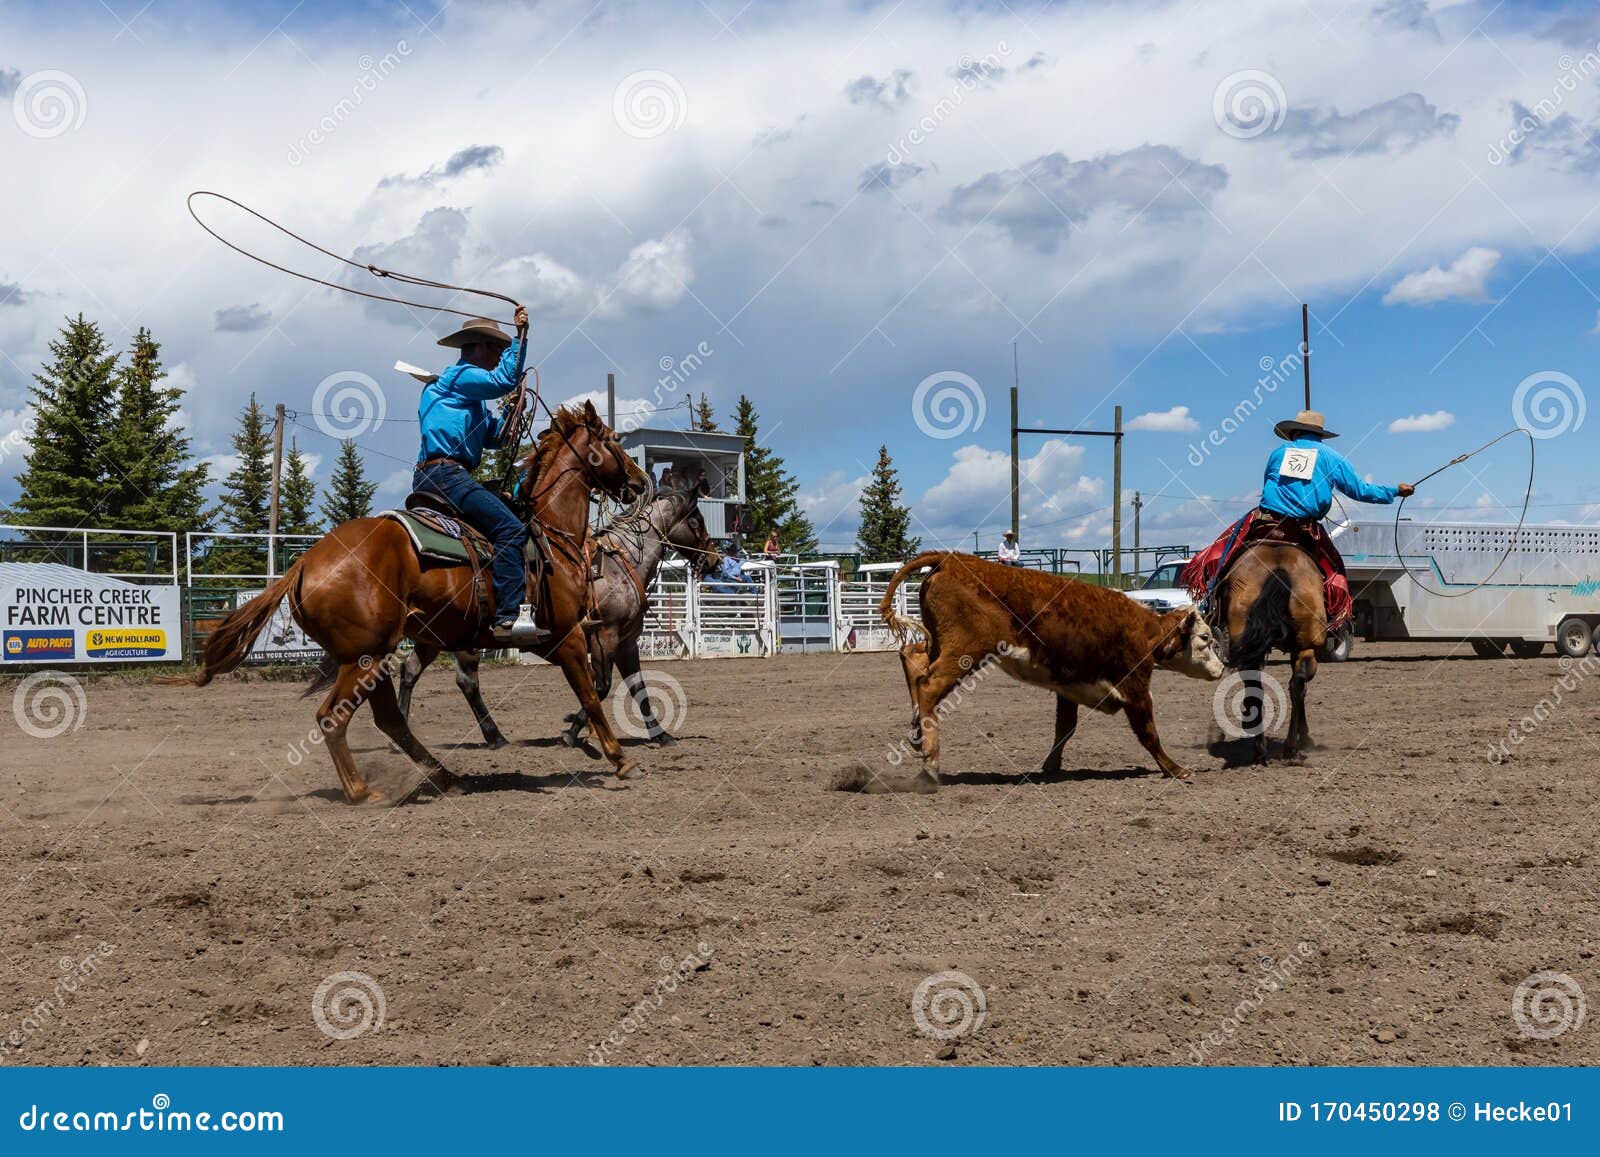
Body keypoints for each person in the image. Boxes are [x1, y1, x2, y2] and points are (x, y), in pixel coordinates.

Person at [1184, 410, 1413, 626]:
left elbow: (1268, 483)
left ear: (1294, 433)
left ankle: (1212, 600)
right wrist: (1394, 490)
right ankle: (1333, 617)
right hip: (1303, 529)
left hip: (1267, 520)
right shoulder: (1331, 457)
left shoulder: (1278, 453)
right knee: (1334, 570)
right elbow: (1360, 490)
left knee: (1225, 551)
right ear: (1320, 435)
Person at [413, 308, 548, 646]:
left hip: (434, 475)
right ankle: (508, 617)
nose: (501, 357)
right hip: (448, 475)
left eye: (505, 352)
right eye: (499, 351)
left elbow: (494, 438)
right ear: (482, 347)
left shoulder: (465, 394)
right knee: (511, 529)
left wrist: (510, 411)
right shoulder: (460, 377)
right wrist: (520, 339)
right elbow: (503, 379)